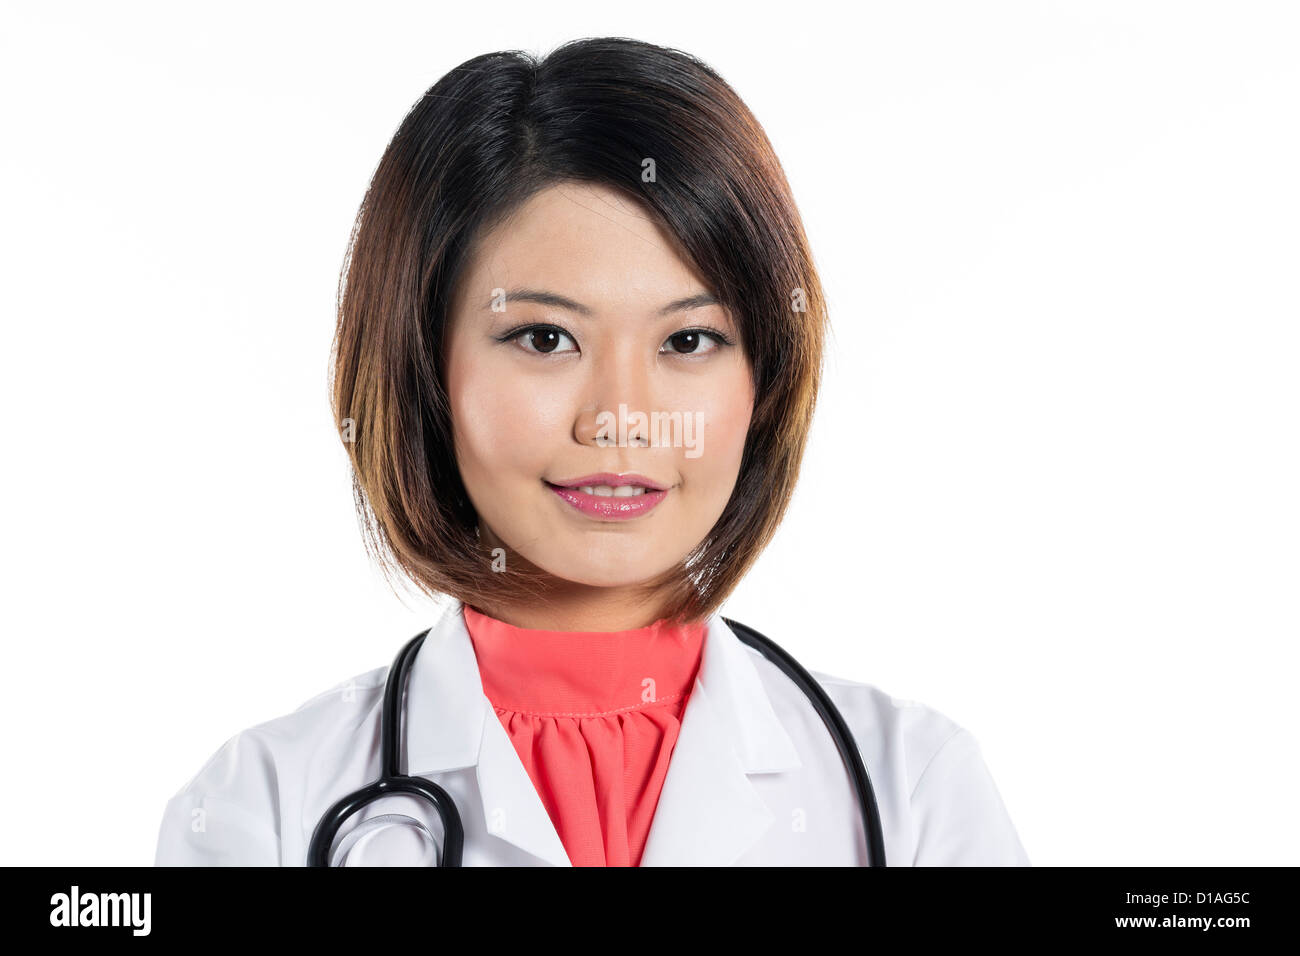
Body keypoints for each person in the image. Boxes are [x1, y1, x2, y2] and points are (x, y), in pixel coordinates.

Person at [154, 37, 1030, 867]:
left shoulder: (913, 789)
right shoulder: (262, 807)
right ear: (423, 366)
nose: (620, 420)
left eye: (688, 342)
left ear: (764, 381)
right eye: (544, 338)